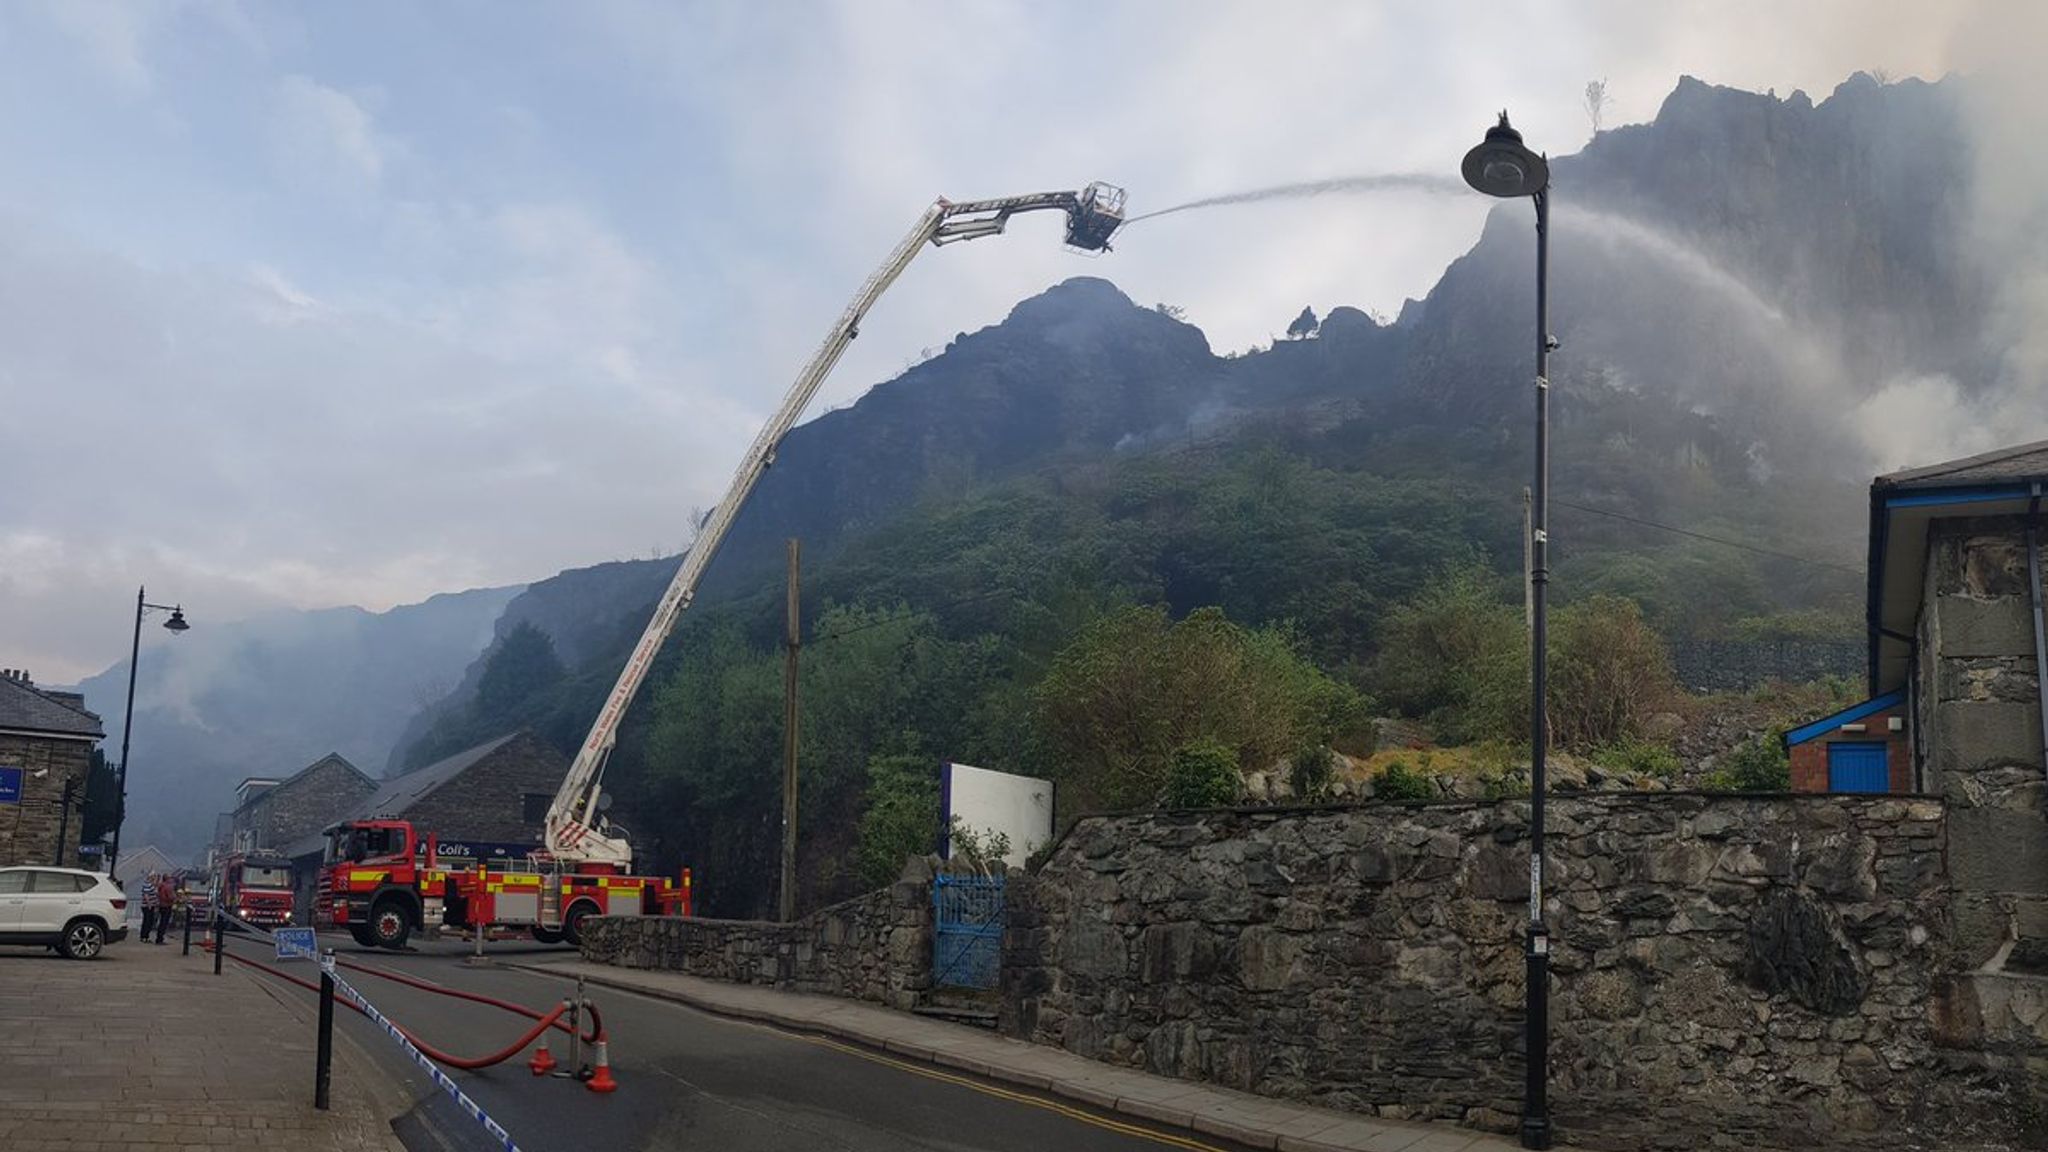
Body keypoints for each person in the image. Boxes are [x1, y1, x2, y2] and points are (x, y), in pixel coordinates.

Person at [153, 872, 176, 944]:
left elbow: (158, 893)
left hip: (162, 905)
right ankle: (160, 939)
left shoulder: (161, 886)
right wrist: (174, 898)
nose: (172, 879)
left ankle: (159, 938)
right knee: (164, 923)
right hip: (167, 906)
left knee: (161, 922)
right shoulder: (168, 887)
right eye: (170, 878)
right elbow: (171, 897)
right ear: (167, 879)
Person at [139, 870, 160, 940]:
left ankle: (146, 935)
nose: (155, 878)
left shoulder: (152, 884)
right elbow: (146, 895)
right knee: (147, 921)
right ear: (151, 877)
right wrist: (149, 904)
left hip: (152, 905)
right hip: (147, 906)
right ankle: (143, 936)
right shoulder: (147, 884)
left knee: (150, 921)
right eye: (154, 876)